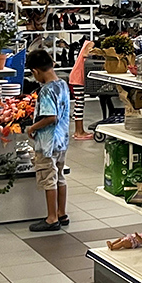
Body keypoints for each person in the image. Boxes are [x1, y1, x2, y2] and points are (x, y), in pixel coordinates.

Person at [26, 49, 71, 232]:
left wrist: (32, 127)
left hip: (47, 143)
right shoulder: (63, 84)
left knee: (48, 178)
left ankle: (51, 218)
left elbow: (50, 117)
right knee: (59, 176)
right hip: (62, 140)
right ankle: (62, 213)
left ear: (36, 71)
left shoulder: (46, 90)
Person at [69, 39, 95, 140]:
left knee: (79, 103)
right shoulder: (91, 43)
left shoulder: (87, 43)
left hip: (77, 77)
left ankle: (79, 131)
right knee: (79, 103)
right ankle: (79, 132)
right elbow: (85, 54)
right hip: (78, 78)